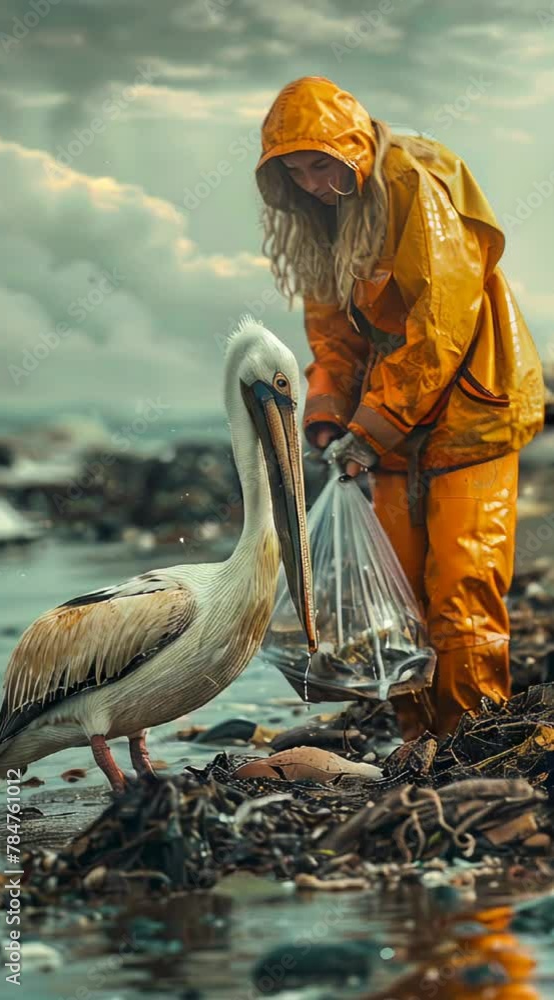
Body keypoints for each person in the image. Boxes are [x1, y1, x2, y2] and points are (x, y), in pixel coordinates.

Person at [254, 75, 545, 740]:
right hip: (386, 428)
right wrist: (329, 417)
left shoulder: (413, 186)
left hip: (472, 413)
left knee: (461, 584)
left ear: (354, 149)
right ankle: (418, 743)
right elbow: (330, 334)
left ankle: (472, 743)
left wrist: (369, 428)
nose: (313, 185)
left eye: (321, 166)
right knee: (394, 598)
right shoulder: (321, 224)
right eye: (295, 173)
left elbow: (441, 325)